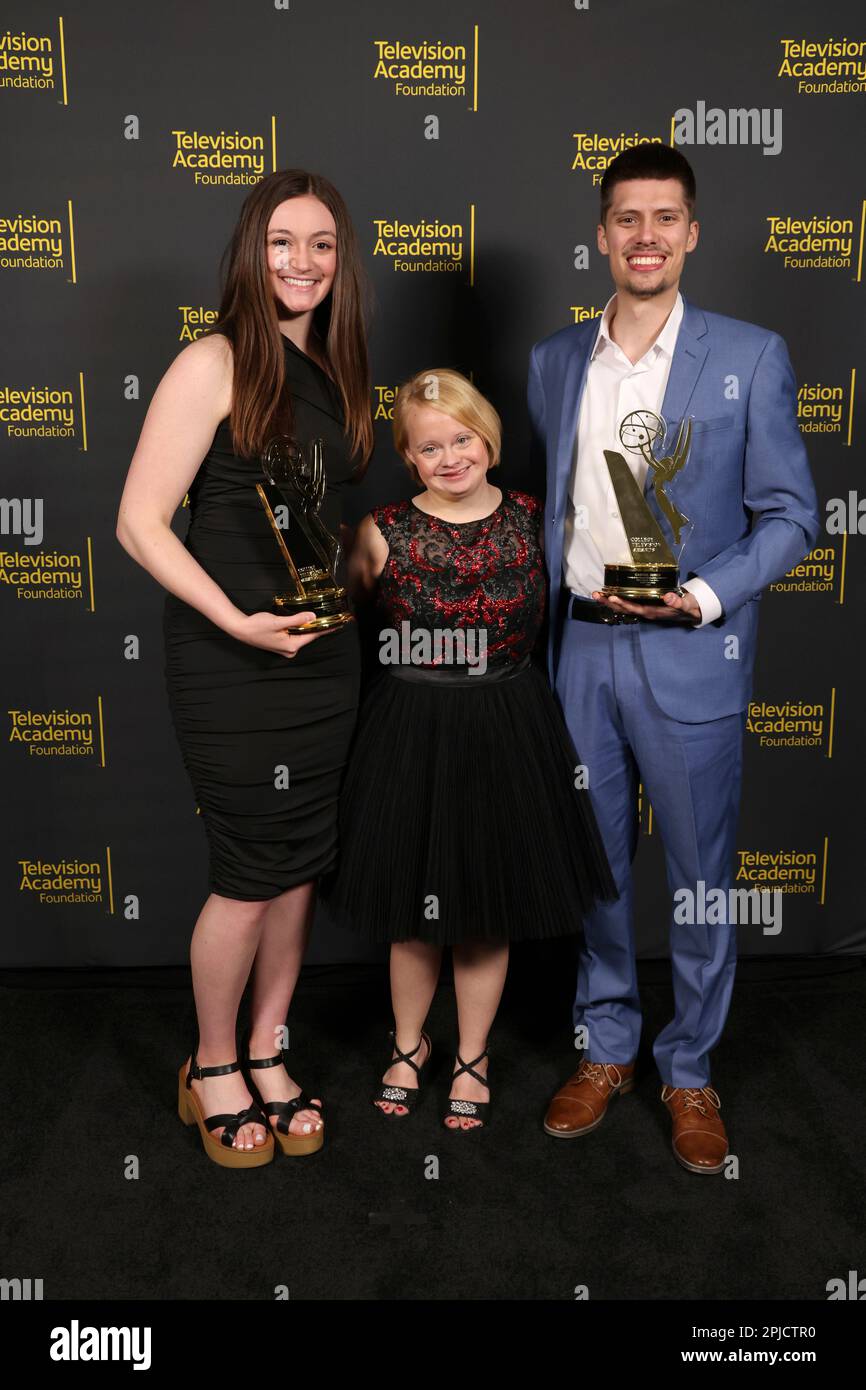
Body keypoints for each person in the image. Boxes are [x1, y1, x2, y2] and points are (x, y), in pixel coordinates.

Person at [529, 143, 820, 1173]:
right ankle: (605, 1046)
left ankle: (686, 1065)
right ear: (600, 234)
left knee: (699, 877)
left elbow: (792, 516)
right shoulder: (553, 360)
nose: (643, 235)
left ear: (690, 232)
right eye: (624, 218)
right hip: (578, 657)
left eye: (664, 217)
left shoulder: (749, 354)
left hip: (690, 650)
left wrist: (702, 595)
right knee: (594, 864)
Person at [116, 169, 374, 1167]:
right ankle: (212, 1064)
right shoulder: (213, 361)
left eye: (319, 244)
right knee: (246, 870)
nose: (300, 262)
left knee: (300, 865)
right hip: (232, 660)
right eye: (280, 242)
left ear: (340, 260)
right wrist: (235, 620)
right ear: (247, 254)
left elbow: (324, 527)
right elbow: (140, 521)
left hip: (322, 661)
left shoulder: (344, 371)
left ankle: (270, 1047)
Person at [319, 369, 617, 1130]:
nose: (450, 457)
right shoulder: (380, 531)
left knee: (487, 908)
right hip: (410, 725)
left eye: (461, 438)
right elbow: (331, 628)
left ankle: (473, 1054)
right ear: (409, 459)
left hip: (508, 722)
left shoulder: (537, 520)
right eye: (429, 447)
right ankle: (410, 1046)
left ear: (488, 438)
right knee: (411, 912)